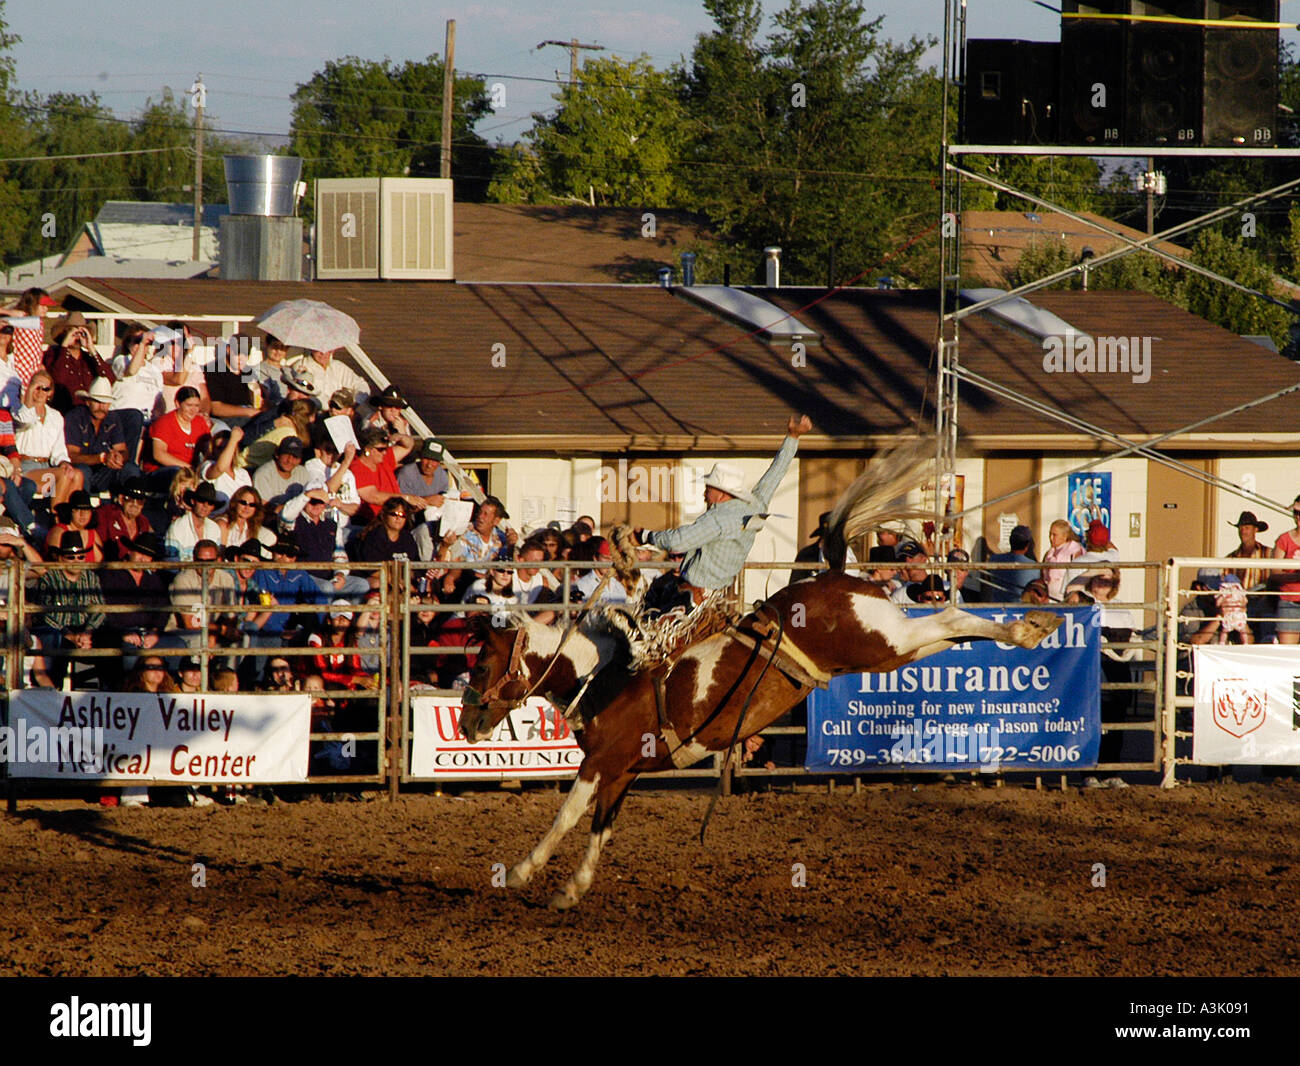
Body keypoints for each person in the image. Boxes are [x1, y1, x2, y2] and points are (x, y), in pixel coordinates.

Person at [633, 413, 811, 611]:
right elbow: (775, 474)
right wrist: (793, 437)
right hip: (719, 594)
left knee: (648, 622)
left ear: (722, 493)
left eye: (708, 489)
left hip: (693, 598)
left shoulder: (718, 519)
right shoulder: (754, 507)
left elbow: (677, 542)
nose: (704, 493)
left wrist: (645, 536)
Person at [13, 369, 81, 506]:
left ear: (50, 392)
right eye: (36, 387)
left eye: (45, 388)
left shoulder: (55, 416)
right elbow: (25, 420)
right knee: (63, 475)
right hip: (25, 467)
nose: (40, 392)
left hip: (47, 467)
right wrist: (29, 393)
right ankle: (57, 515)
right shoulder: (18, 411)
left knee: (76, 474)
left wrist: (64, 463)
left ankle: (68, 515)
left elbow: (59, 449)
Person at [63, 376, 137, 493]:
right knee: (83, 470)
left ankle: (130, 502)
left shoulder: (113, 418)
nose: (102, 407)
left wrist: (119, 457)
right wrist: (102, 458)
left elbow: (122, 449)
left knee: (131, 469)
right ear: (88, 402)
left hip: (104, 470)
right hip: (83, 469)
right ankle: (82, 503)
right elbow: (71, 456)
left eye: (105, 403)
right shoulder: (75, 418)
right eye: (97, 402)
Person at [43, 311, 114, 413]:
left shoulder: (89, 359)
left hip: (89, 411)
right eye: (73, 333)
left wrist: (92, 349)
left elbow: (108, 379)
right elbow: (58, 378)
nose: (77, 337)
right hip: (65, 410)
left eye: (81, 333)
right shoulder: (53, 355)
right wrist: (65, 346)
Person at [147, 385, 211, 478]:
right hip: (165, 471)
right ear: (177, 404)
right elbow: (159, 455)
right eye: (189, 405)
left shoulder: (200, 422)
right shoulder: (164, 423)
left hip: (191, 472)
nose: (193, 410)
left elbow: (208, 450)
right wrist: (188, 468)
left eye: (196, 406)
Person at [96, 478, 153, 561]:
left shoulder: (144, 523)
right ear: (121, 499)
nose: (135, 504)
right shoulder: (106, 514)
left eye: (140, 501)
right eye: (130, 498)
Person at [1269, 495, 1300, 645]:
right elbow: (1275, 572)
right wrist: (1295, 577)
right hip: (1289, 601)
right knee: (1288, 652)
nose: (1298, 516)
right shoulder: (1284, 539)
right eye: (1296, 512)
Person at [165, 481, 223, 561]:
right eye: (201, 500)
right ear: (193, 501)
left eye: (210, 503)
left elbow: (218, 560)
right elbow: (171, 562)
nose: (205, 506)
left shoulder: (215, 529)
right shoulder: (177, 528)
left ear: (213, 507)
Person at [253, 436, 312, 514]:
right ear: (277, 454)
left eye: (295, 456)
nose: (289, 460)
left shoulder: (303, 473)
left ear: (300, 459)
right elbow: (265, 508)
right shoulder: (263, 474)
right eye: (286, 454)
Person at [298, 348, 369, 409]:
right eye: (318, 350)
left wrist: (355, 403)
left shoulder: (338, 367)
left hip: (339, 411)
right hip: (314, 410)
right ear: (311, 349)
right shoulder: (301, 366)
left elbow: (361, 385)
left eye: (327, 350)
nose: (323, 353)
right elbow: (303, 385)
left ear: (333, 350)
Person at [985, 524, 1037, 602]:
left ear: (1010, 541)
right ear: (1027, 546)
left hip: (997, 607)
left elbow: (987, 580)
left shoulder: (993, 560)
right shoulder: (1034, 567)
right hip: (1020, 608)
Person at [1040, 518, 1085, 602]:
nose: (1051, 538)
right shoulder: (1049, 552)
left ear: (1064, 536)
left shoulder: (1075, 550)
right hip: (1049, 597)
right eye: (1050, 534)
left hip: (1065, 598)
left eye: (1054, 535)